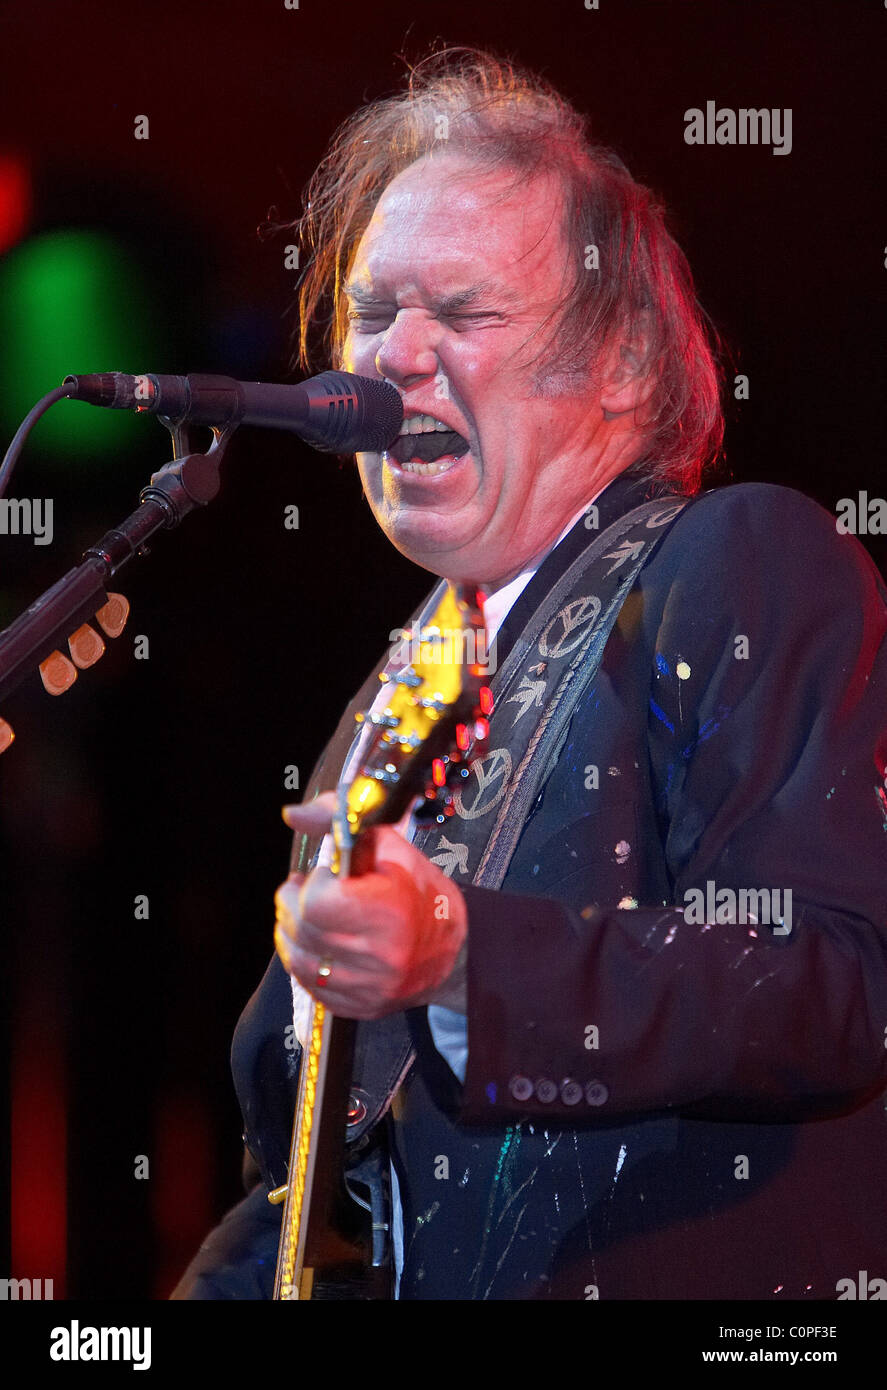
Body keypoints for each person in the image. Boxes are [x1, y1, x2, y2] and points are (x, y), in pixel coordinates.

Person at [172, 48, 887, 1301]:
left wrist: (458, 950)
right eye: (371, 313)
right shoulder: (386, 702)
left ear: (617, 362)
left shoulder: (732, 559)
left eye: (461, 313)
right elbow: (318, 1205)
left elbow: (833, 982)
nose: (392, 358)